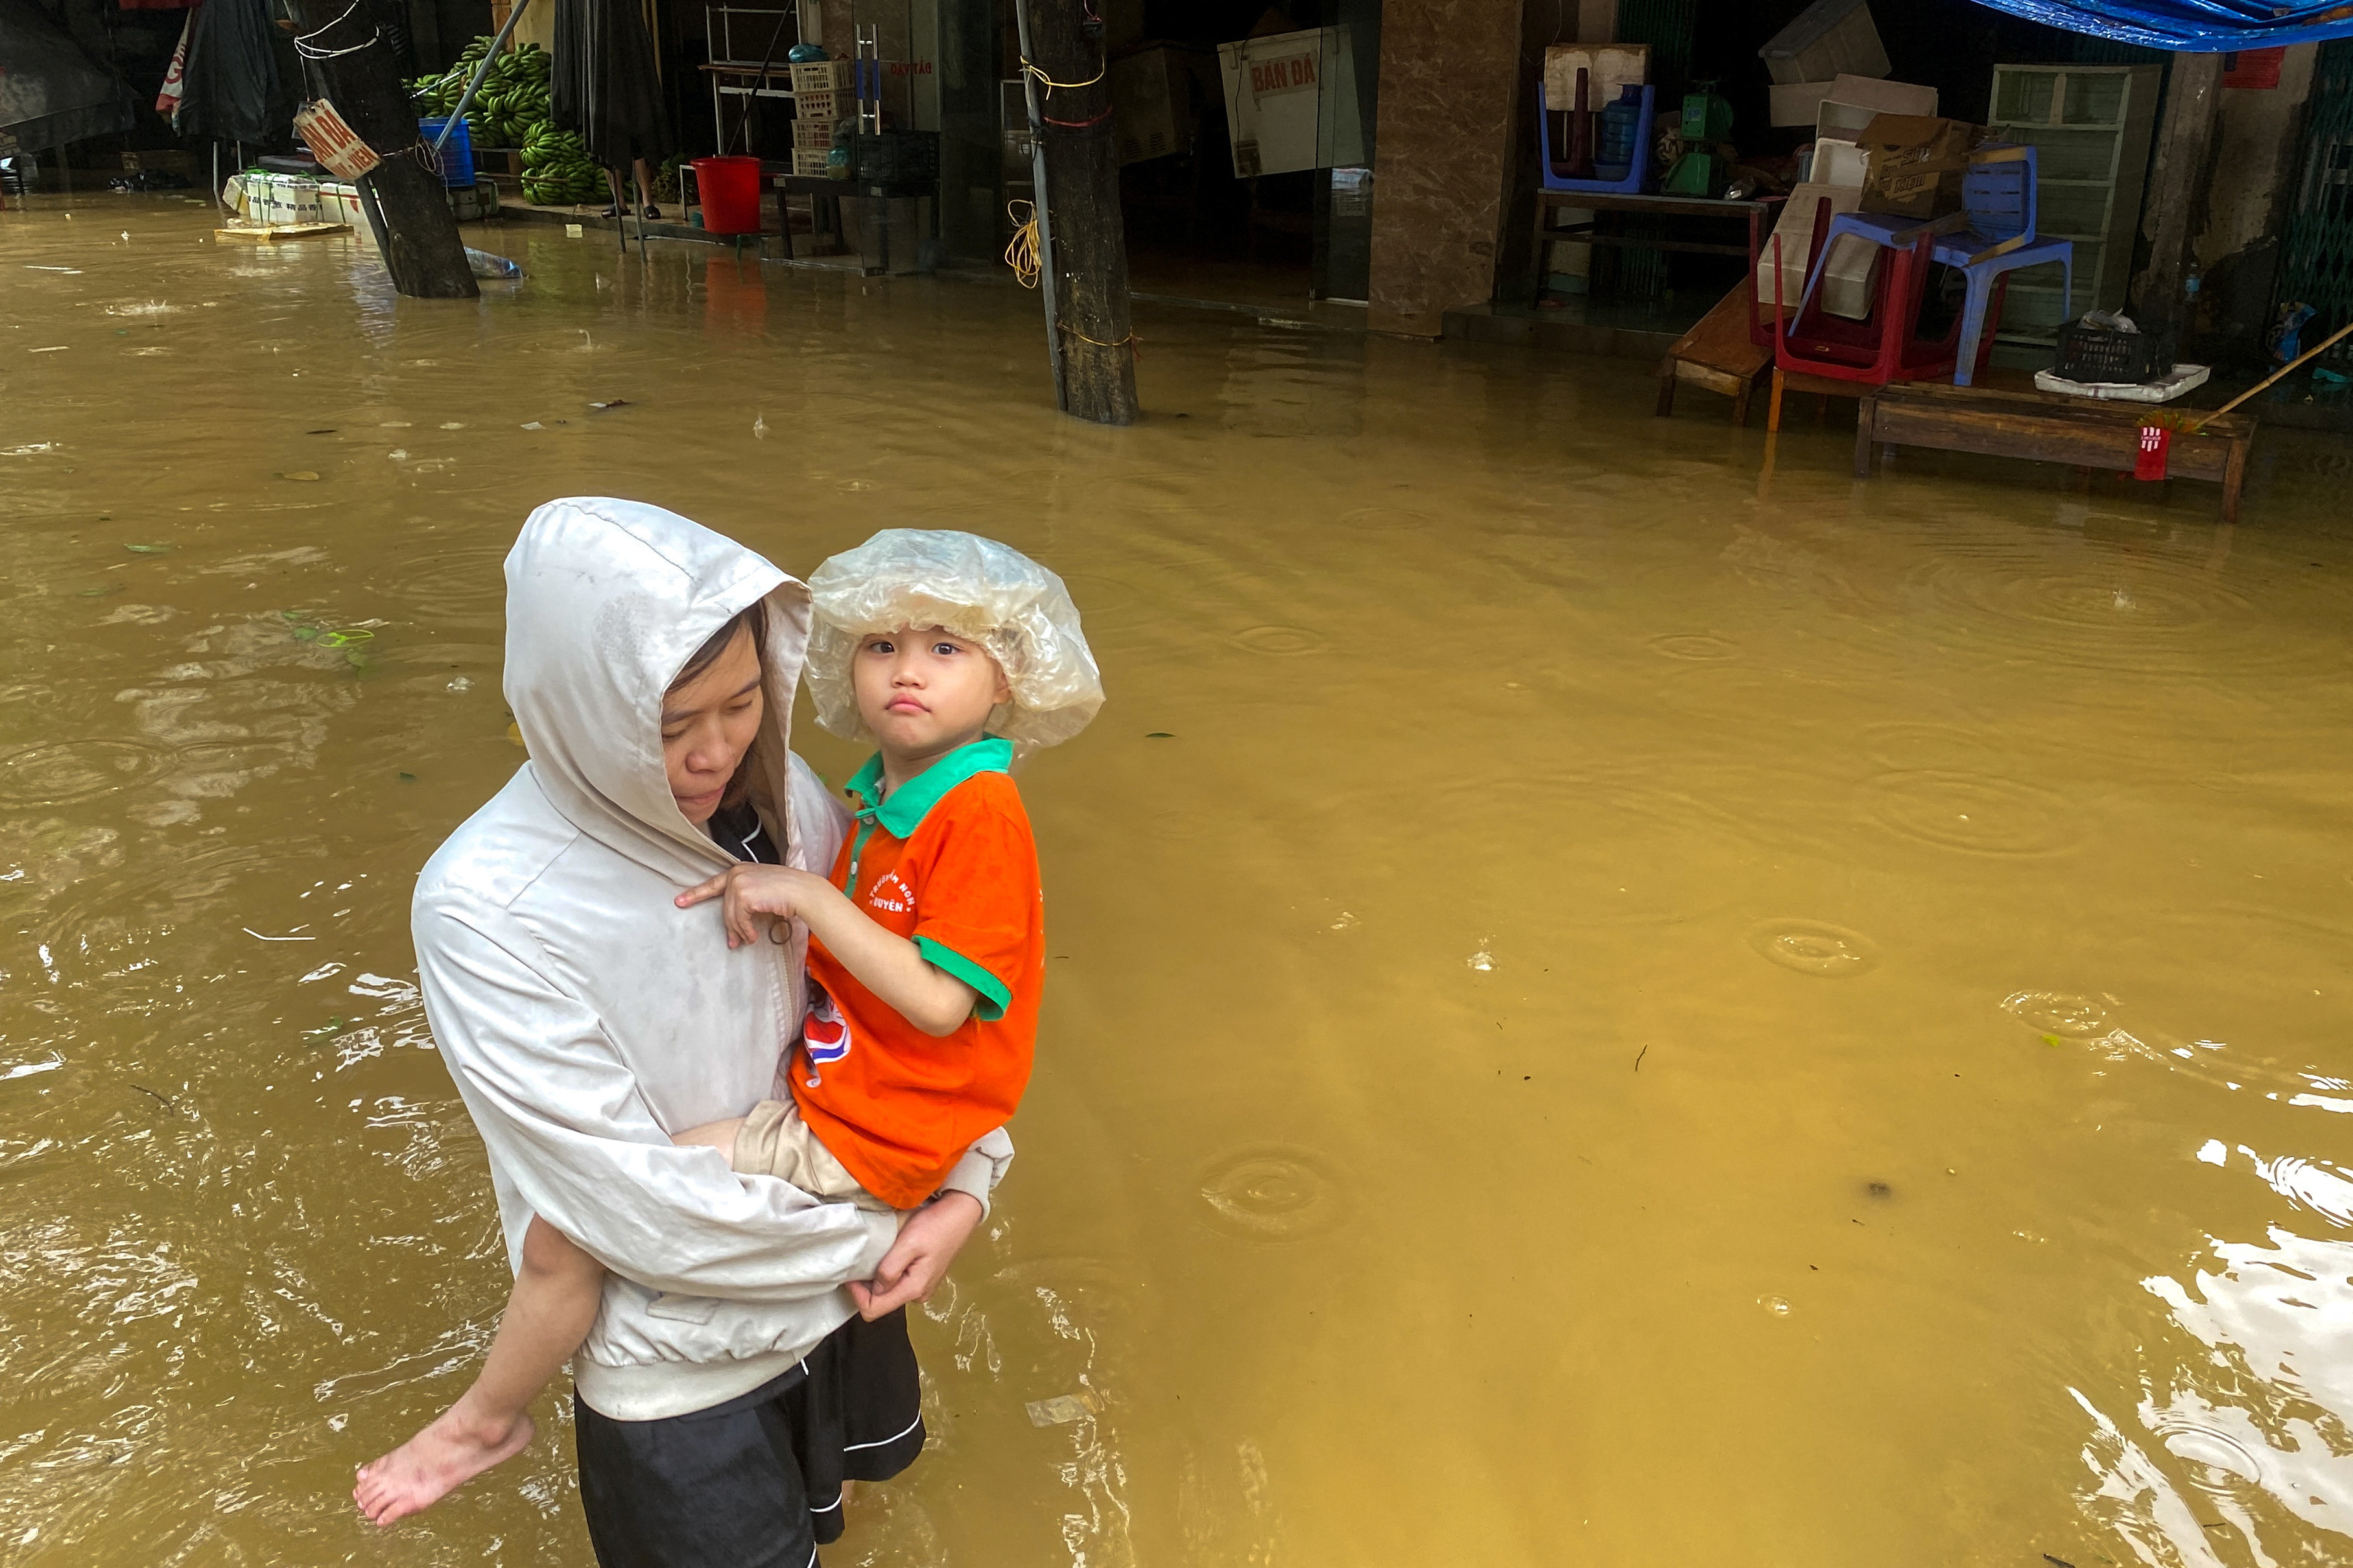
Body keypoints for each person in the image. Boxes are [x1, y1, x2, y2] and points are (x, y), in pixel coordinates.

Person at [358, 529, 1101, 1532]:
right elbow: (626, 1208)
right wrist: (893, 1222)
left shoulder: (788, 797)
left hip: (853, 1280)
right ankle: (486, 1420)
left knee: (836, 1521)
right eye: (670, 726)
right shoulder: (488, 907)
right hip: (692, 1359)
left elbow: (918, 1020)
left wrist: (965, 1187)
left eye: (744, 705)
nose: (717, 753)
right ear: (579, 709)